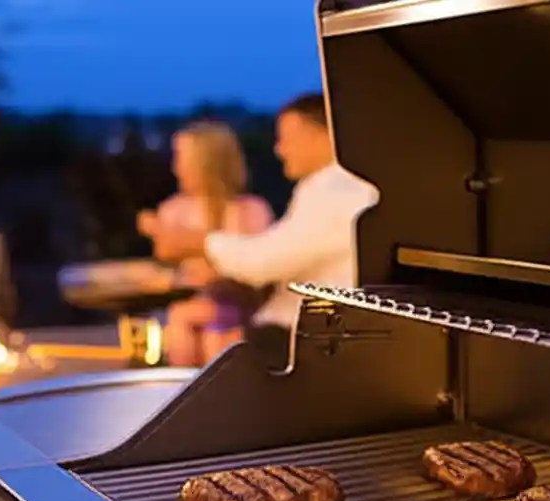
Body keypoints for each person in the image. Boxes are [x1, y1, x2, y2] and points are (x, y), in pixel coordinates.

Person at [146, 93, 379, 368]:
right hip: (297, 331)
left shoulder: (334, 191)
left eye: (287, 139)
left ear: (323, 135)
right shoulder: (330, 188)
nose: (279, 150)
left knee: (218, 351)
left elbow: (264, 262)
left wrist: (199, 243)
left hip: (299, 338)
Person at [137, 121, 273, 366]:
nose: (175, 168)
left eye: (181, 158)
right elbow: (165, 260)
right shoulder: (173, 210)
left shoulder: (250, 211)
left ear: (208, 162)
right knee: (183, 321)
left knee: (218, 331)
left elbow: (259, 274)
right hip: (186, 320)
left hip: (237, 317)